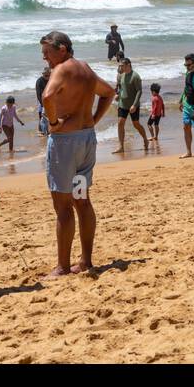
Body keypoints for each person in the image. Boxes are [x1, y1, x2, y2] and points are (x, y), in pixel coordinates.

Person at [40, 30, 114, 277]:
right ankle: (86, 261)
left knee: (62, 207)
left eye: (47, 53)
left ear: (62, 49)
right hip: (86, 141)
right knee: (81, 201)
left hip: (64, 145)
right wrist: (94, 119)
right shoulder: (85, 68)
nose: (45, 59)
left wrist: (52, 123)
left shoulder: (61, 69)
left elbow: (47, 96)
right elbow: (109, 92)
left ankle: (62, 266)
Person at [112, 57, 147, 153]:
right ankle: (121, 146)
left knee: (136, 124)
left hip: (133, 105)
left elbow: (139, 91)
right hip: (122, 104)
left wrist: (135, 105)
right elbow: (121, 88)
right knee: (120, 123)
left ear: (128, 65)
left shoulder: (135, 76)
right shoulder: (121, 76)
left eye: (122, 65)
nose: (121, 67)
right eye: (120, 66)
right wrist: (118, 95)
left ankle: (145, 139)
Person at [35, 65, 51, 135]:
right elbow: (38, 94)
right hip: (41, 101)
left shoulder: (51, 80)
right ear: (43, 74)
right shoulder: (39, 81)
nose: (47, 77)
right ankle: (40, 130)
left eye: (49, 75)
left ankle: (45, 129)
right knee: (41, 116)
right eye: (46, 75)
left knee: (49, 116)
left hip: (49, 100)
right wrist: (43, 104)